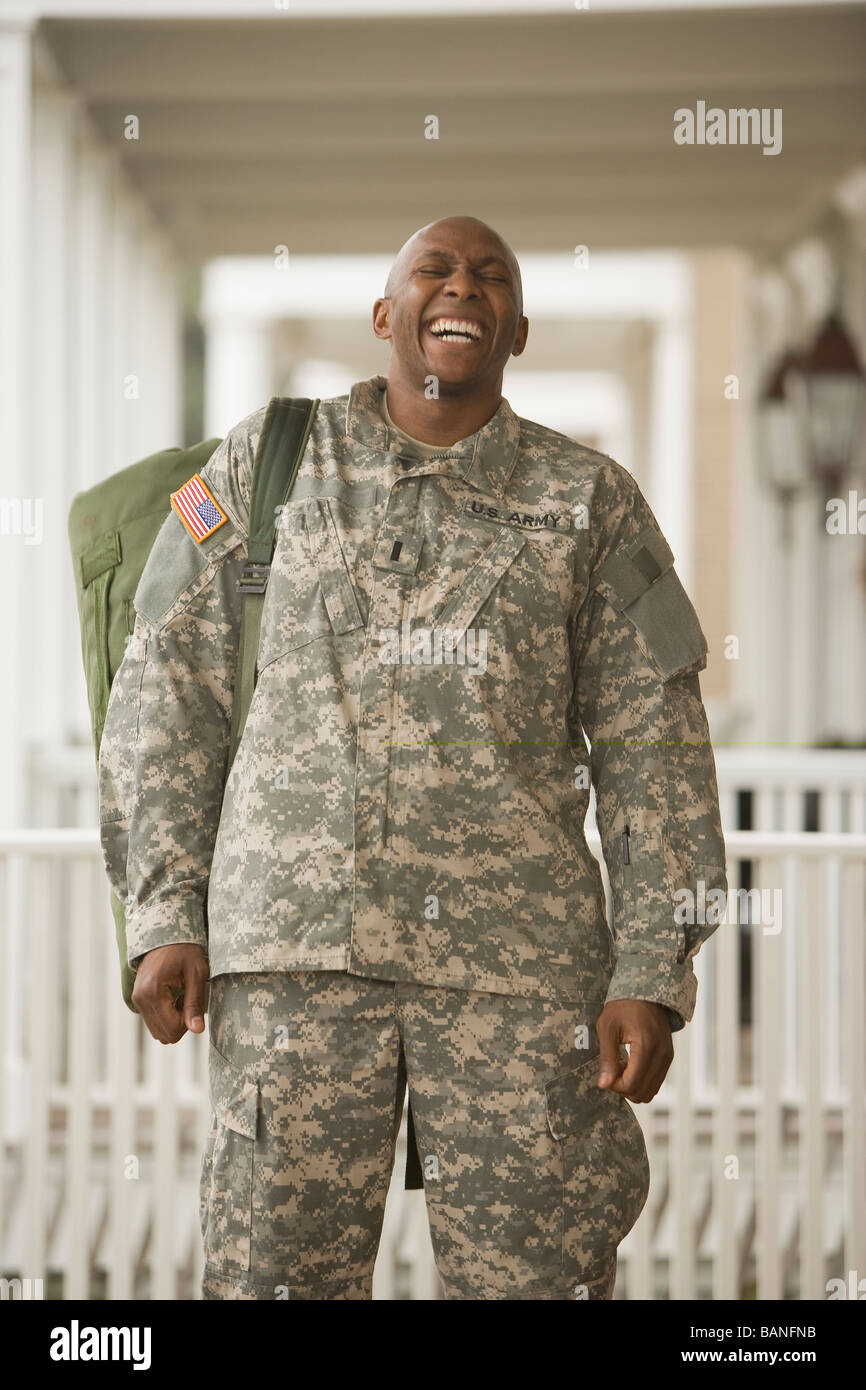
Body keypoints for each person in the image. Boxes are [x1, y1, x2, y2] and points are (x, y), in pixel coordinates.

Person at [98, 215, 727, 1300]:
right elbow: (167, 683)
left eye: (489, 277)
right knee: (269, 1280)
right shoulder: (262, 464)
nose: (461, 288)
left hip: (518, 977)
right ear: (385, 315)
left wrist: (649, 970)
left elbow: (651, 738)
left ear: (516, 329)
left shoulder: (588, 499)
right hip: (297, 958)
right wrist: (165, 911)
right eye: (432, 270)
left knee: (538, 1281)